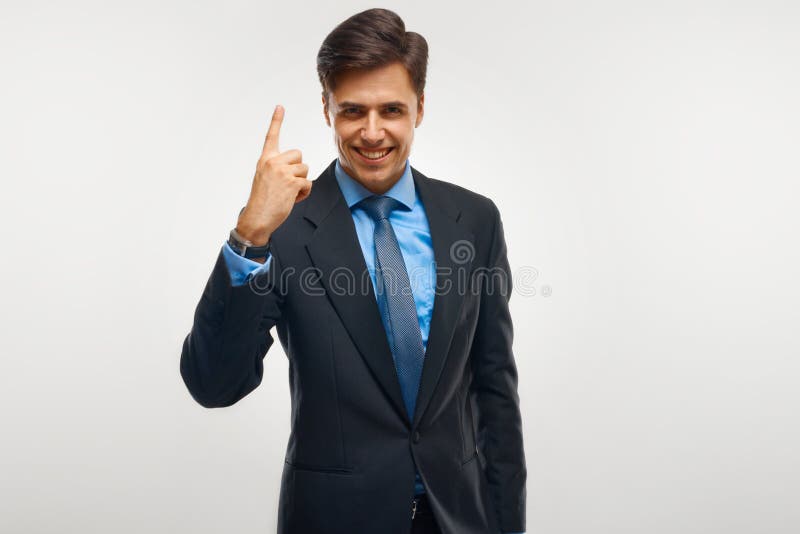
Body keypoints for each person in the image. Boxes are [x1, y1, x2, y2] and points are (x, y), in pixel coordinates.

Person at [180, 8, 526, 534]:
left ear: (420, 108)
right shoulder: (286, 230)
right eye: (351, 111)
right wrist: (250, 234)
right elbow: (214, 384)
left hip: (459, 517)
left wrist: (508, 525)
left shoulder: (475, 220)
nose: (371, 132)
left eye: (391, 109)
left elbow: (495, 393)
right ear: (326, 110)